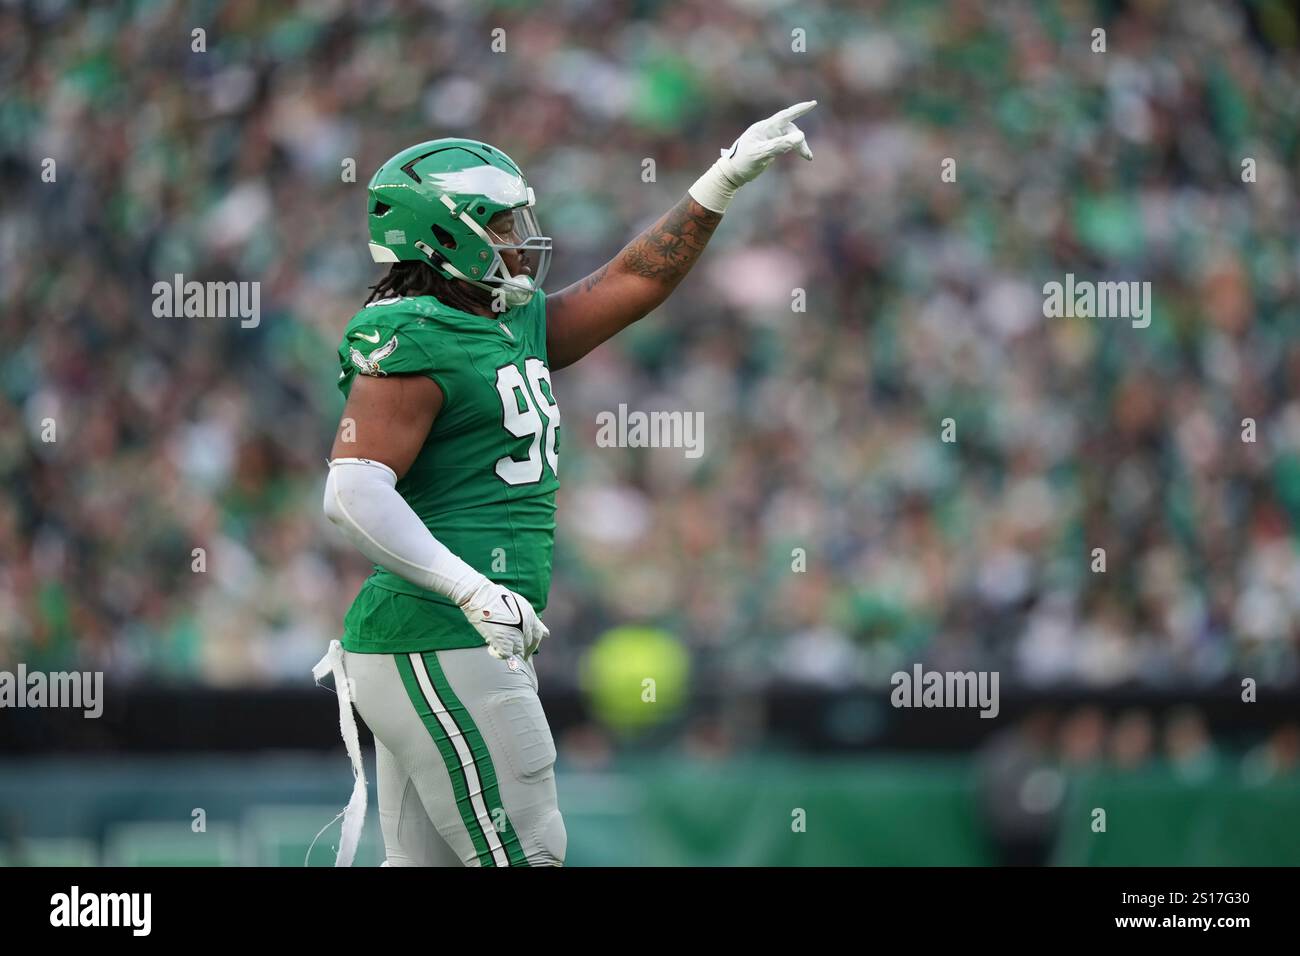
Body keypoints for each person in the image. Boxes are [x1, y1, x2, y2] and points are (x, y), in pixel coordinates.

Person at [317, 103, 816, 866]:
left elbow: (633, 280)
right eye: (502, 226)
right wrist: (471, 590)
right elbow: (351, 492)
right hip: (437, 633)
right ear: (444, 235)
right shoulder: (413, 331)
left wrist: (722, 179)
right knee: (530, 850)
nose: (522, 241)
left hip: (448, 637)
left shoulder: (505, 320)